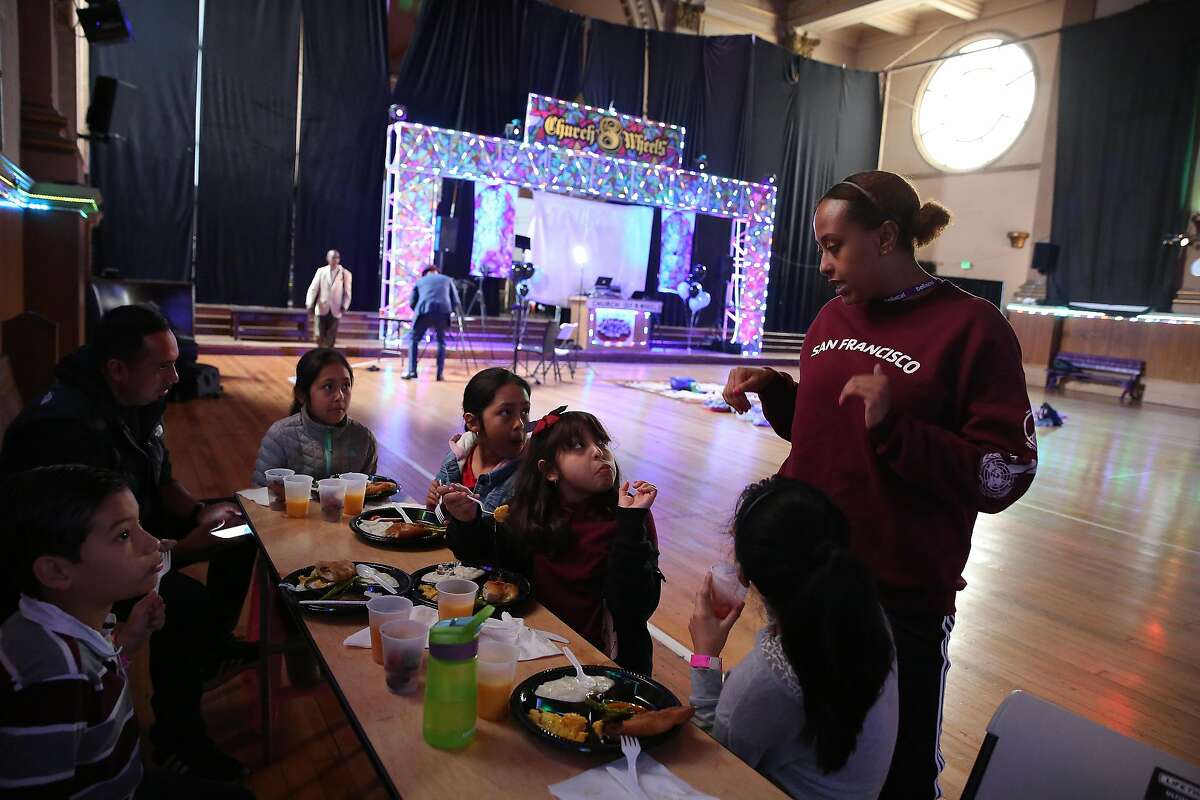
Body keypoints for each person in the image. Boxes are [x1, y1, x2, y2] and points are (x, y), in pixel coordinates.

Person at [722, 170, 1037, 799]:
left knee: (899, 774)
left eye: (833, 245)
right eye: (819, 246)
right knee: (805, 754)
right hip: (807, 585)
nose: (822, 263)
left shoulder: (971, 327)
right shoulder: (831, 317)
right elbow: (830, 436)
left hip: (898, 599)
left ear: (888, 237)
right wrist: (780, 394)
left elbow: (1005, 474)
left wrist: (900, 429)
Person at [0, 304, 256, 780]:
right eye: (163, 366)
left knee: (242, 528)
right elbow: (93, 548)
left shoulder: (139, 398)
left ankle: (213, 649)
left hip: (126, 525)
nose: (176, 376)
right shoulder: (65, 432)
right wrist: (182, 550)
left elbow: (162, 482)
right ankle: (177, 737)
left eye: (175, 362)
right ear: (116, 369)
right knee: (185, 603)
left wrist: (201, 513)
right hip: (76, 563)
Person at [0, 466, 254, 799]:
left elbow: (95, 684)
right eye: (123, 535)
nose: (152, 542)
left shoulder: (74, 626)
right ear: (56, 571)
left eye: (139, 527)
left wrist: (128, 643)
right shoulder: (51, 678)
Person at [688, 476, 898, 799]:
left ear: (745, 575)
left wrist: (705, 657)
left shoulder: (764, 682)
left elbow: (715, 773)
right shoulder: (865, 614)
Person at [443, 408, 662, 675]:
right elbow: (488, 563)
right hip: (536, 647)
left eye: (601, 443)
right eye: (578, 446)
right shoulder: (526, 513)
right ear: (549, 471)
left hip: (604, 662)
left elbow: (636, 606)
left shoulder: (628, 517)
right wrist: (468, 521)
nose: (598, 452)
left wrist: (631, 524)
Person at [252, 348, 378, 485]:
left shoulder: (364, 439)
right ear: (301, 394)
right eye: (328, 387)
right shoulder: (280, 436)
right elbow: (261, 495)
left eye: (346, 386)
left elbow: (370, 496)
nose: (340, 396)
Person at [426, 367, 531, 515]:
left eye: (525, 411)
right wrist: (435, 508)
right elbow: (436, 522)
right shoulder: (455, 459)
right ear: (473, 422)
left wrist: (469, 520)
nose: (520, 423)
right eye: (506, 412)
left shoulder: (529, 477)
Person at [403, 265, 461, 381]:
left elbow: (412, 302)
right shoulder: (447, 279)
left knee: (413, 339)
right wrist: (450, 311)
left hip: (424, 311)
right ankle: (440, 374)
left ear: (426, 273)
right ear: (437, 272)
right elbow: (456, 301)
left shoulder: (420, 281)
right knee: (441, 342)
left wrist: (419, 311)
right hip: (443, 312)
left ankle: (412, 371)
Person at [305, 249, 353, 348]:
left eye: (337, 258)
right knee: (319, 335)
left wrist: (345, 305)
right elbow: (313, 288)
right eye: (333, 257)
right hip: (322, 307)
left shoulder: (345, 273)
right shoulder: (321, 271)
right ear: (328, 258)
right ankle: (320, 353)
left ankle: (327, 356)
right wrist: (309, 303)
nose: (335, 260)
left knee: (330, 338)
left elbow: (347, 292)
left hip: (336, 309)